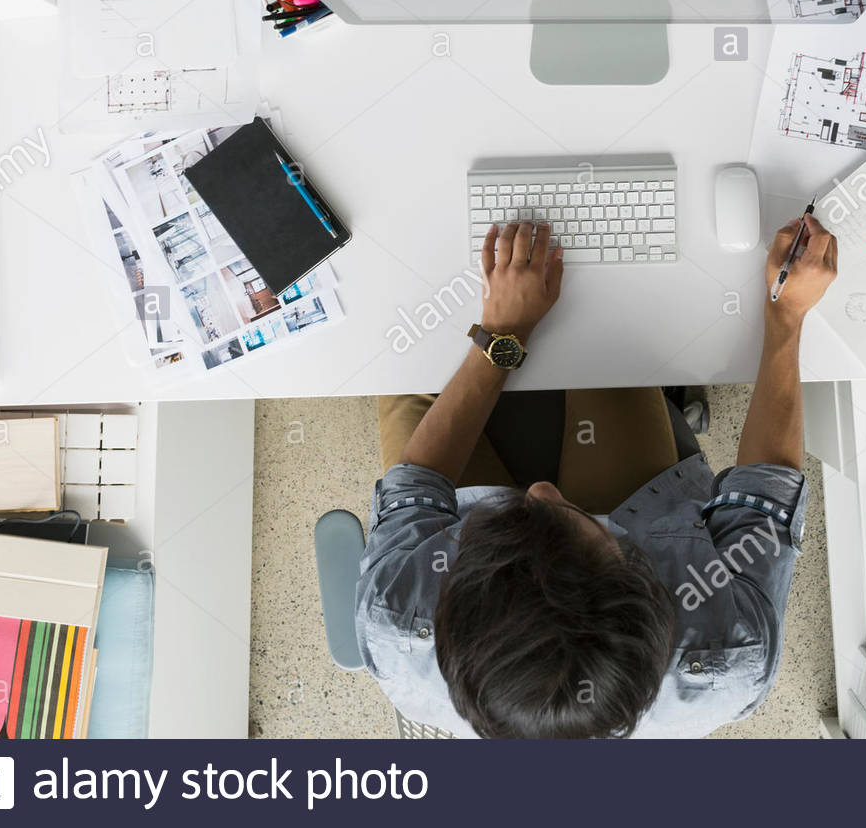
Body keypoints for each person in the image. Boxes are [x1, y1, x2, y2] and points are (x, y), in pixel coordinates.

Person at [358, 216, 838, 738]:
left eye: (524, 512)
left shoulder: (399, 625)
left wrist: (504, 334)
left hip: (468, 532)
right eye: (582, 525)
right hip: (641, 505)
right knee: (606, 339)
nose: (540, 490)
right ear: (651, 588)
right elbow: (765, 487)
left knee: (410, 366)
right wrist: (786, 315)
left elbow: (418, 484)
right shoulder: (727, 656)